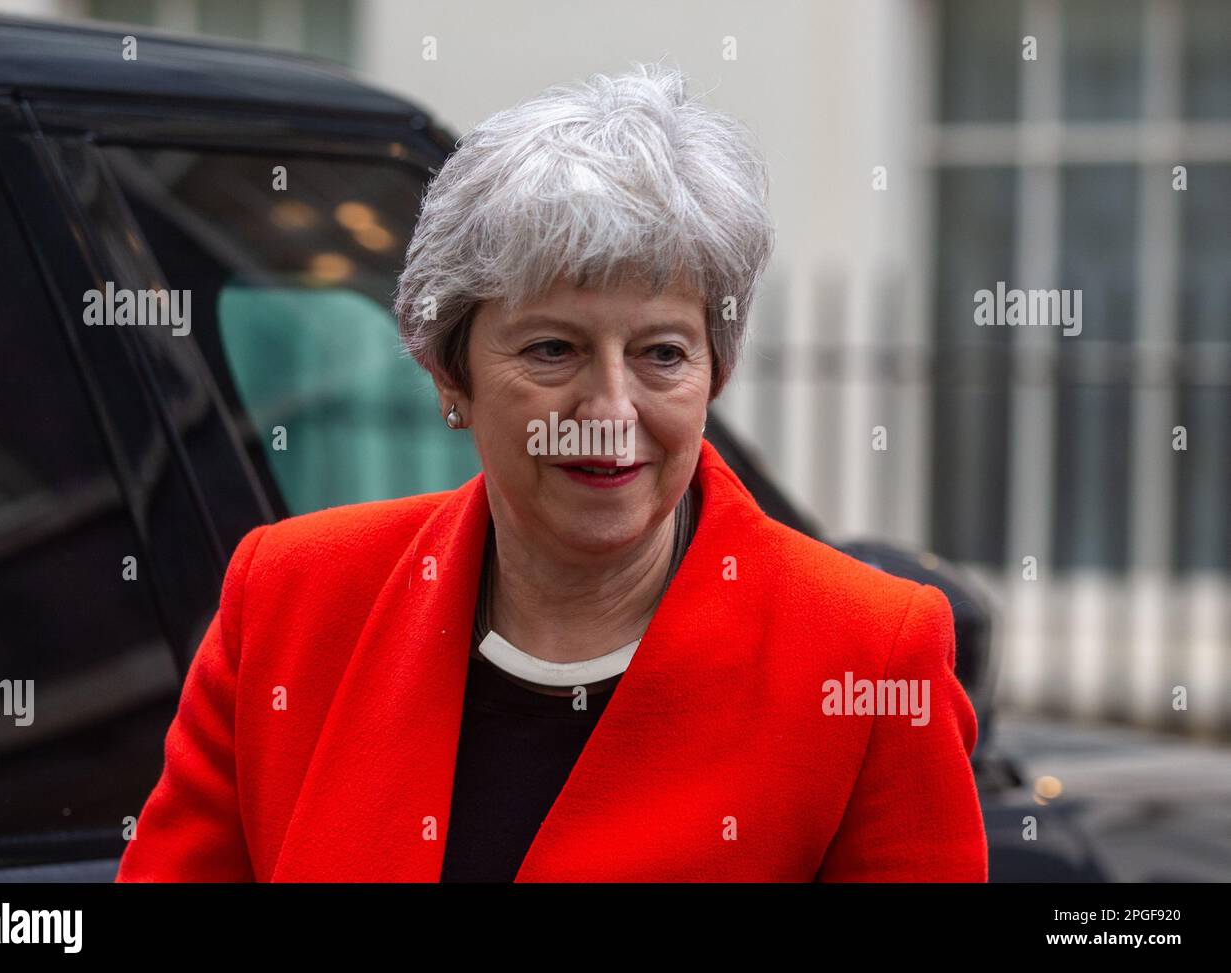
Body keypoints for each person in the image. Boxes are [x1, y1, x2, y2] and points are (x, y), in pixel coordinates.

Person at [116, 62, 987, 882]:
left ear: (713, 374)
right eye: (552, 349)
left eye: (661, 353)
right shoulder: (291, 602)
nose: (611, 410)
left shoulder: (870, 656)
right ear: (450, 373)